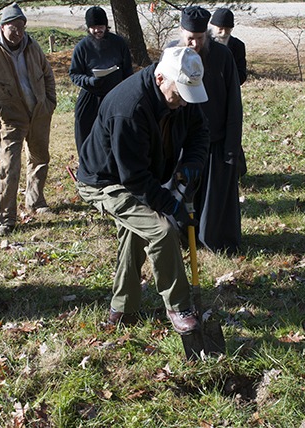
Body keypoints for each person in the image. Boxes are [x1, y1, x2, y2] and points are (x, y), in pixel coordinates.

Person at [76, 46, 210, 335]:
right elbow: (134, 179)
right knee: (161, 231)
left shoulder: (182, 91)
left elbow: (200, 131)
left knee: (135, 231)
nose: (186, 104)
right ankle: (179, 306)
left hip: (139, 175)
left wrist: (192, 163)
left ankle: (122, 309)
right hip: (105, 181)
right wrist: (171, 206)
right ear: (161, 78)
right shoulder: (129, 108)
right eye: (181, 96)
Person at [0, 3, 56, 236]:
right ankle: (5, 219)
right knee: (9, 166)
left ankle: (36, 201)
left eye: (21, 26)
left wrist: (49, 102)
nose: (18, 32)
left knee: (40, 159)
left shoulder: (32, 46)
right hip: (11, 118)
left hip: (38, 114)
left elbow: (47, 74)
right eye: (13, 27)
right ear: (2, 26)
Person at [174, 6, 245, 254]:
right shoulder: (172, 53)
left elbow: (234, 104)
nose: (194, 44)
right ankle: (184, 237)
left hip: (216, 138)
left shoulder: (223, 56)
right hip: (183, 140)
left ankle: (214, 241)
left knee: (216, 199)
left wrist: (232, 147)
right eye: (190, 38)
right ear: (182, 31)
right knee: (183, 194)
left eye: (200, 38)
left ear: (207, 34)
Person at [69, 6, 133, 153]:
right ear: (88, 28)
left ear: (106, 26)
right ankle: (86, 163)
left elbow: (128, 72)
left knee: (116, 131)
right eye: (93, 27)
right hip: (91, 95)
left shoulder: (119, 43)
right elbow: (74, 74)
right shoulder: (82, 47)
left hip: (115, 94)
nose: (97, 30)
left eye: (100, 26)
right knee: (84, 126)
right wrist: (89, 81)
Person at [210, 8, 247, 85]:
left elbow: (242, 74)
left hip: (229, 88)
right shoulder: (205, 43)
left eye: (227, 29)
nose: (223, 33)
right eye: (220, 29)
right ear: (212, 26)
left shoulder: (238, 46)